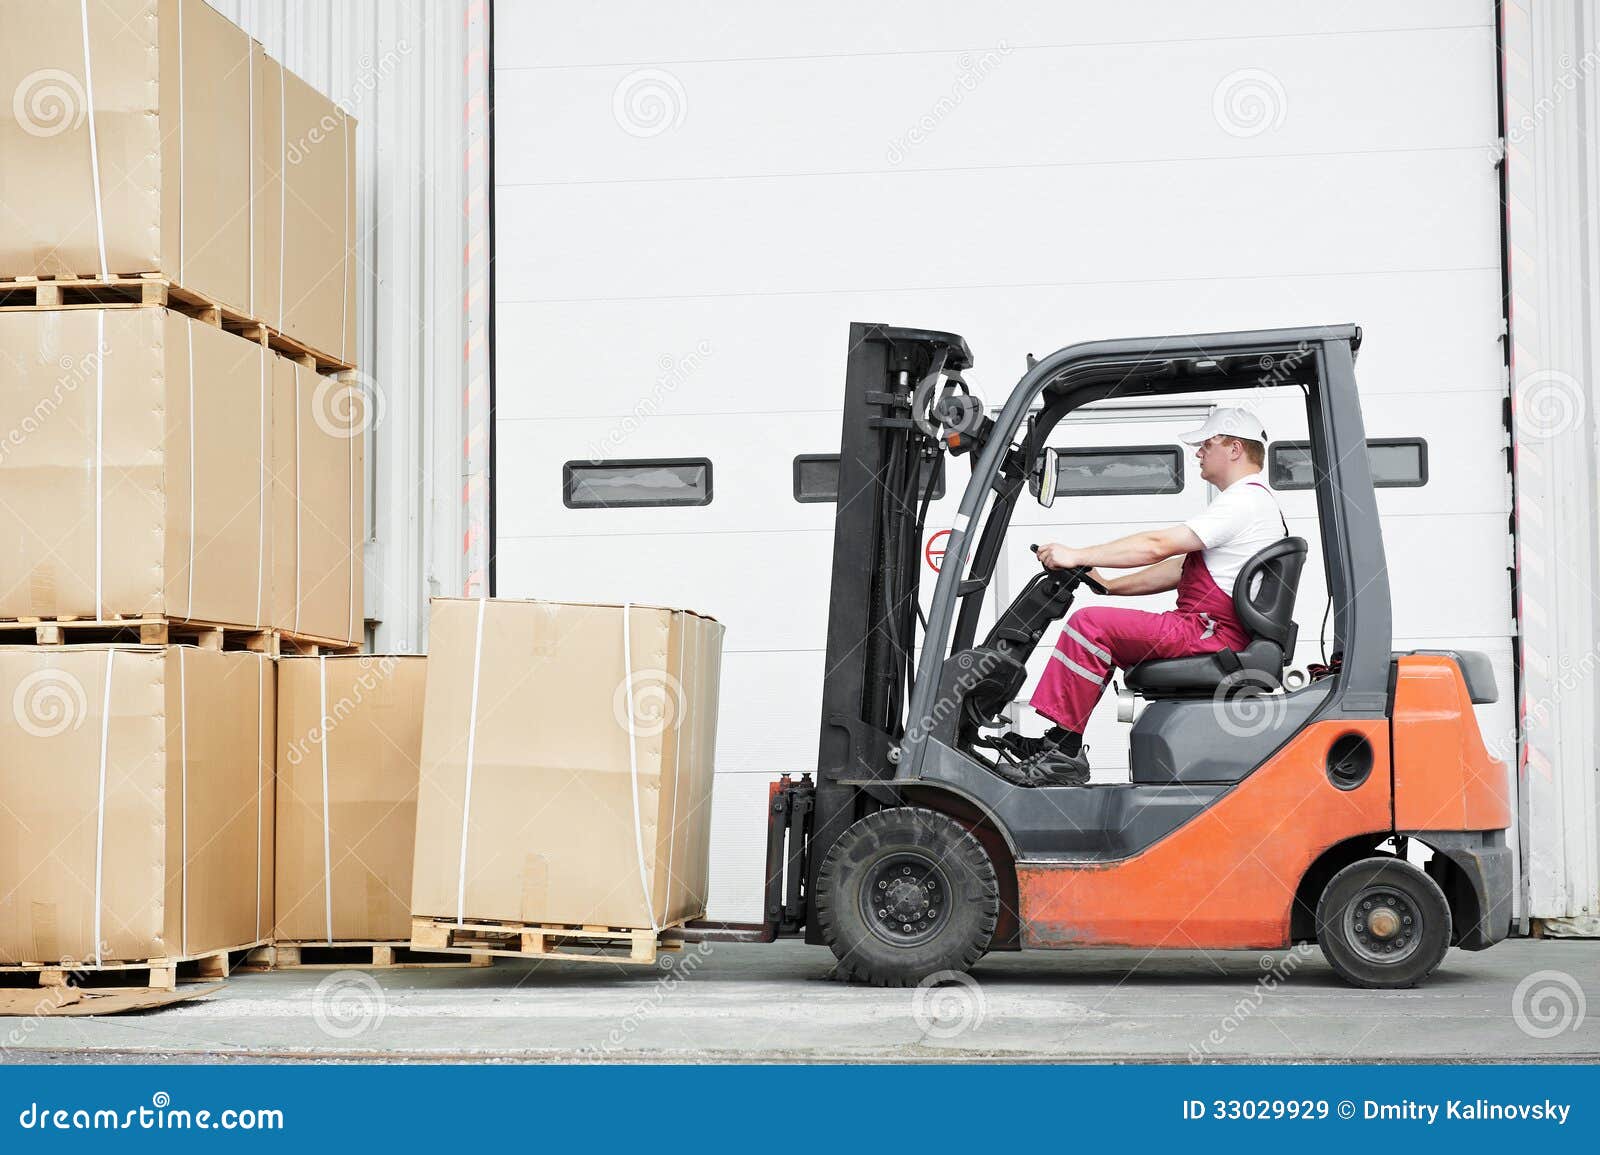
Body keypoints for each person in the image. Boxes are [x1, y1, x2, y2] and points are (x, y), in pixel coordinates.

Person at [993, 407, 1288, 787]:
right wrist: (1112, 586)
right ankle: (1059, 744)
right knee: (1102, 624)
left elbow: (1157, 546)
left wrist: (1078, 554)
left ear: (1234, 449)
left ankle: (1063, 752)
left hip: (1211, 634)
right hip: (1208, 630)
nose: (1198, 452)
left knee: (1091, 625)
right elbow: (1178, 569)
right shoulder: (1251, 504)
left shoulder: (1243, 502)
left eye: (1206, 444)